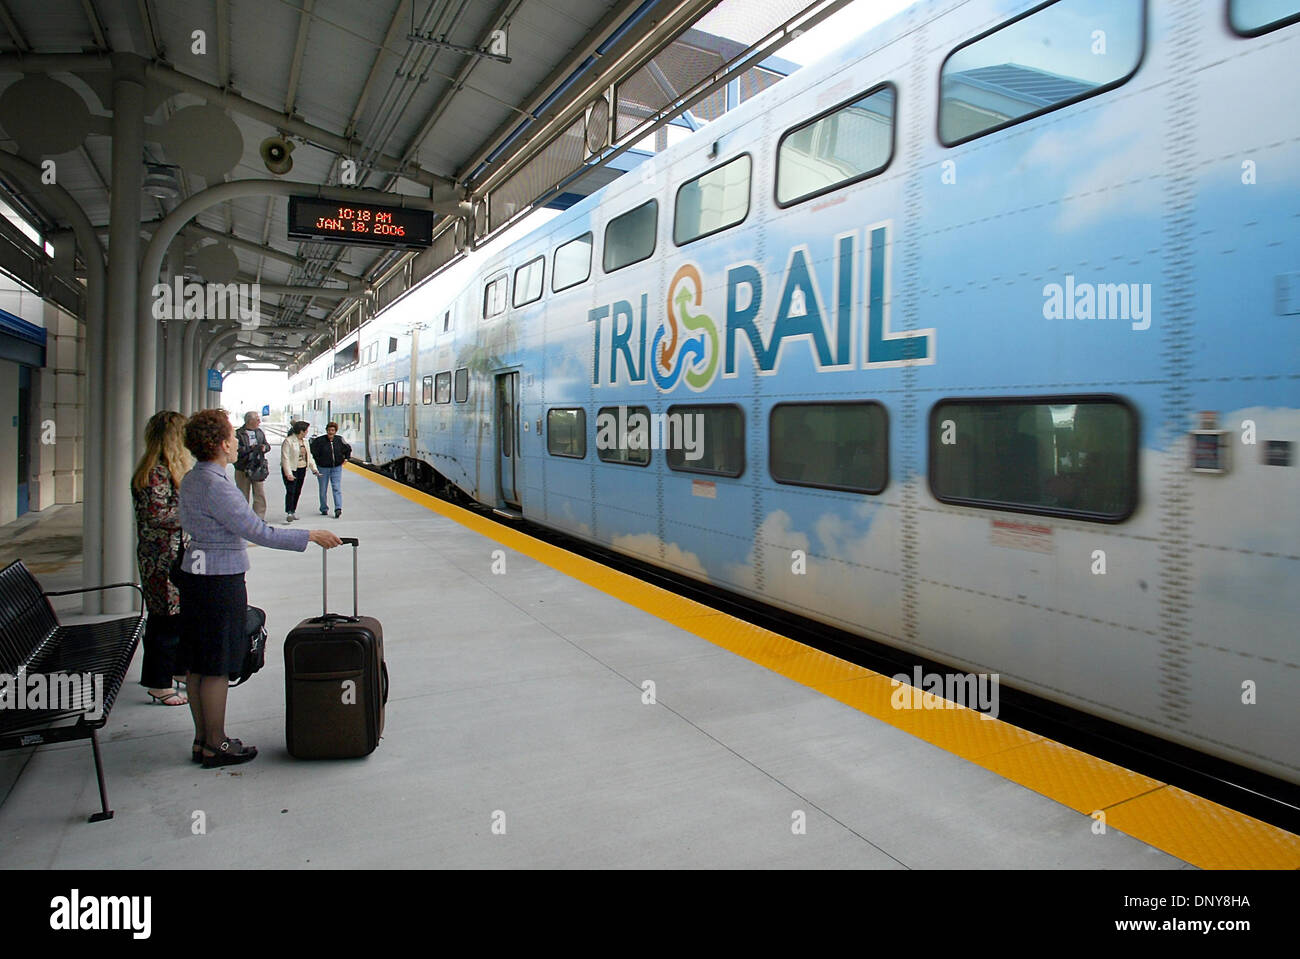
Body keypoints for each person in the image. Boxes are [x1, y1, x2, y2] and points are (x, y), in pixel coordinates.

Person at [175, 409, 342, 767]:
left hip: (194, 575)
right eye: (232, 439)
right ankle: (217, 742)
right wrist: (309, 535)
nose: (236, 443)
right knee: (217, 663)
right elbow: (258, 531)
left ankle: (202, 739)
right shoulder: (218, 486)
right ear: (221, 444)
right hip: (220, 580)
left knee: (197, 664)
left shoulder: (191, 479)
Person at [131, 410, 193, 706]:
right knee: (163, 621)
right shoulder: (156, 472)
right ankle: (158, 682)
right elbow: (156, 516)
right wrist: (195, 514)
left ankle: (177, 669)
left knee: (175, 617)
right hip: (161, 560)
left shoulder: (163, 469)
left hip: (170, 556)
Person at [233, 411, 271, 522]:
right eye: (257, 419)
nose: (259, 422)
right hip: (243, 467)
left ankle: (259, 517)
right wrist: (251, 448)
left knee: (259, 493)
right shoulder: (238, 433)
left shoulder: (259, 432)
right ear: (250, 421)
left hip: (257, 466)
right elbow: (237, 450)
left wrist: (264, 448)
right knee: (242, 493)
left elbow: (267, 445)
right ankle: (242, 517)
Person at [310, 421, 352, 518]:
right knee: (323, 489)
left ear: (335, 431)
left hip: (336, 467)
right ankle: (324, 508)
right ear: (326, 430)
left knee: (336, 488)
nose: (331, 432)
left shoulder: (340, 439)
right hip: (323, 468)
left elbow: (348, 448)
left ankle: (338, 508)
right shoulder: (319, 440)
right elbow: (313, 451)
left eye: (333, 430)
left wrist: (346, 458)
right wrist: (318, 461)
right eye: (329, 430)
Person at [279, 420, 318, 523]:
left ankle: (293, 510)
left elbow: (309, 456)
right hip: (291, 469)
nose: (307, 432)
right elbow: (285, 459)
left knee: (297, 491)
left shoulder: (305, 441)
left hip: (302, 468)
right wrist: (288, 473)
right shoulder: (288, 441)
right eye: (306, 430)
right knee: (291, 491)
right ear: (301, 431)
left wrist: (314, 469)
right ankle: (289, 512)